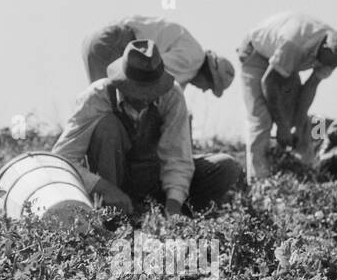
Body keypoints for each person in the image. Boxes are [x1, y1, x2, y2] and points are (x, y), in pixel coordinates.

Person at [52, 39, 243, 217]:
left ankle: (182, 221)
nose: (144, 99)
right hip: (114, 180)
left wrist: (174, 204)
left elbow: (177, 158)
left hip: (155, 180)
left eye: (150, 92)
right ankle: (113, 220)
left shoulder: (172, 95)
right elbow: (62, 158)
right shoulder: (97, 97)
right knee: (106, 127)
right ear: (121, 83)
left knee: (225, 167)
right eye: (136, 92)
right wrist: (102, 187)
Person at [237, 12, 337, 182]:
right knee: (262, 119)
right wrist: (282, 127)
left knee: (298, 120)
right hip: (256, 55)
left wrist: (296, 124)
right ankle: (259, 184)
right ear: (327, 48)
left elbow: (310, 87)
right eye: (333, 63)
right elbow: (269, 82)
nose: (332, 67)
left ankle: (305, 175)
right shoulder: (295, 44)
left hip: (285, 62)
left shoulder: (334, 51)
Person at [83, 16, 234, 96]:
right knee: (104, 106)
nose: (204, 90)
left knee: (100, 102)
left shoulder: (190, 60)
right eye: (210, 86)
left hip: (103, 39)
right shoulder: (192, 59)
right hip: (115, 43)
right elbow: (151, 69)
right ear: (209, 75)